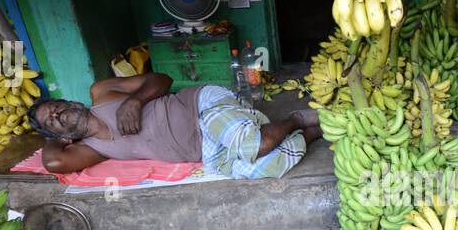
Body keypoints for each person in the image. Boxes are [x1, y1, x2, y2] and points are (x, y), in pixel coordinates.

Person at [28, 73, 321, 178]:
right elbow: (53, 161)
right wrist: (49, 134)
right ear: (60, 137)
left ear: (69, 102)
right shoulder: (92, 149)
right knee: (260, 167)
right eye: (52, 123)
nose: (58, 115)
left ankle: (295, 118)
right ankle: (309, 132)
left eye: (55, 108)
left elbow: (162, 79)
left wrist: (136, 101)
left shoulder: (101, 93)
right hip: (205, 149)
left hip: (201, 106)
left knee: (254, 146)